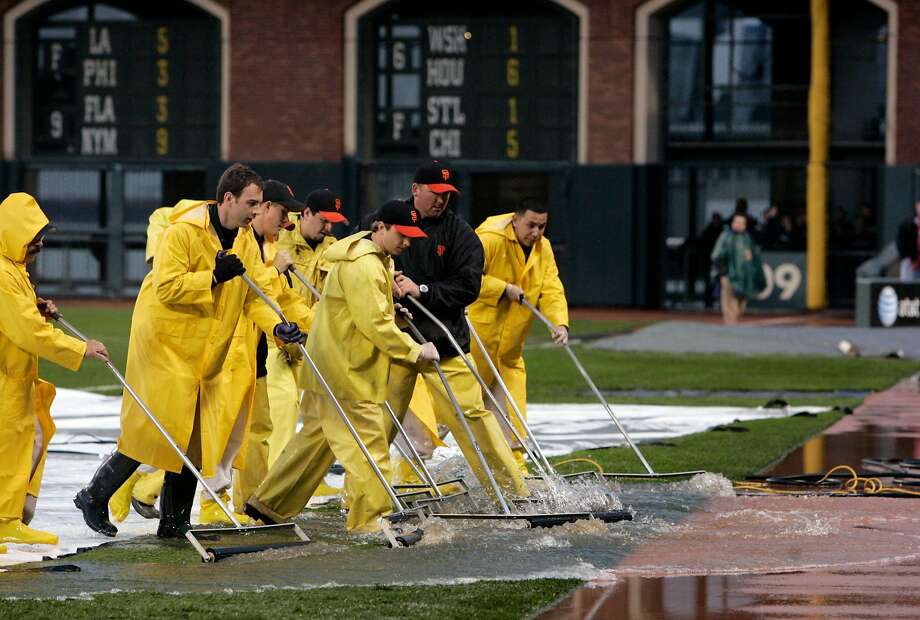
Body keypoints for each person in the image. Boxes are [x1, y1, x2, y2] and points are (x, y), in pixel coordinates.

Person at [74, 163, 305, 539]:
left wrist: (276, 326)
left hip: (202, 352)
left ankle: (174, 522)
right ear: (227, 199)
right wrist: (212, 277)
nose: (256, 211)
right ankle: (94, 495)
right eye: (251, 202)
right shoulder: (183, 232)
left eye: (260, 204)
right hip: (165, 344)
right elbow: (166, 286)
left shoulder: (245, 239)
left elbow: (254, 294)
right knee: (158, 428)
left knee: (194, 437)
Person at [246, 200, 438, 532]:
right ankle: (370, 520)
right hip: (346, 371)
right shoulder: (364, 265)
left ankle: (267, 504)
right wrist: (414, 350)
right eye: (402, 235)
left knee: (315, 443)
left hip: (333, 365)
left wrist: (393, 310)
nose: (407, 242)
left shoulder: (375, 259)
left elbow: (366, 311)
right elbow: (373, 323)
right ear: (380, 228)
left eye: (411, 236)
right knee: (369, 447)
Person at [383, 162, 529, 501]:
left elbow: (468, 287)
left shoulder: (461, 233)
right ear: (416, 189)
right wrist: (388, 282)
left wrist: (422, 290)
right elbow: (366, 257)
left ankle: (512, 492)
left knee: (475, 416)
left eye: (447, 195)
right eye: (436, 193)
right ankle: (366, 498)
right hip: (394, 341)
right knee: (378, 421)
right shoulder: (389, 218)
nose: (441, 201)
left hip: (444, 341)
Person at [0, 193, 109, 548]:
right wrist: (81, 348)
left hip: (14, 378)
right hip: (5, 379)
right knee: (16, 444)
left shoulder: (13, 269)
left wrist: (35, 305)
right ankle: (6, 520)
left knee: (29, 439)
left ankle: (11, 517)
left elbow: (22, 317)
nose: (40, 244)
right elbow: (29, 332)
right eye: (34, 236)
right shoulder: (4, 273)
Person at [467, 198, 568, 472]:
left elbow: (551, 286)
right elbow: (467, 276)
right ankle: (410, 473)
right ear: (515, 219)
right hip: (474, 344)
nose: (536, 232)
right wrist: (502, 289)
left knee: (512, 416)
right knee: (450, 412)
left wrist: (559, 323)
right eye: (531, 225)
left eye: (542, 226)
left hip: (510, 351)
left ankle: (517, 477)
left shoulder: (542, 249)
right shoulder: (488, 239)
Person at [263, 188, 347, 469]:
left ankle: (302, 478)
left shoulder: (335, 252)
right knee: (282, 410)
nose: (329, 227)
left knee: (322, 415)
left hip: (310, 343)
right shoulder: (277, 241)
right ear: (306, 214)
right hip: (274, 341)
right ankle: (271, 486)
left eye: (333, 221)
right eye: (324, 220)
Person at [711, 212, 766, 324]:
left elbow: (753, 257)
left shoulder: (747, 237)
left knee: (740, 305)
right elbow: (716, 256)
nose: (738, 224)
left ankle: (734, 324)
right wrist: (723, 273)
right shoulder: (726, 237)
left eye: (741, 222)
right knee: (729, 304)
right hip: (729, 276)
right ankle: (730, 328)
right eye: (736, 222)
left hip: (744, 277)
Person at [896, 201, 920, 281]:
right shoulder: (907, 224)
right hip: (909, 261)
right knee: (907, 287)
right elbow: (901, 243)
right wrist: (909, 258)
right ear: (917, 205)